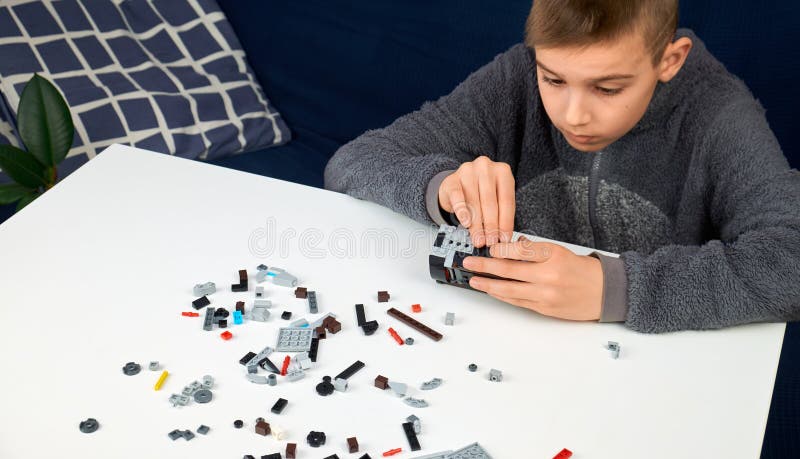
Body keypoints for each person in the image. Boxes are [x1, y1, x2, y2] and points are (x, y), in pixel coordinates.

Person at [324, 0, 800, 333]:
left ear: (669, 60)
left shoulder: (718, 113)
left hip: (650, 352)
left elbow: (790, 258)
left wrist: (614, 288)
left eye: (608, 88)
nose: (573, 115)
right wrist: (440, 184)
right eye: (553, 79)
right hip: (505, 333)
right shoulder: (517, 74)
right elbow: (354, 162)